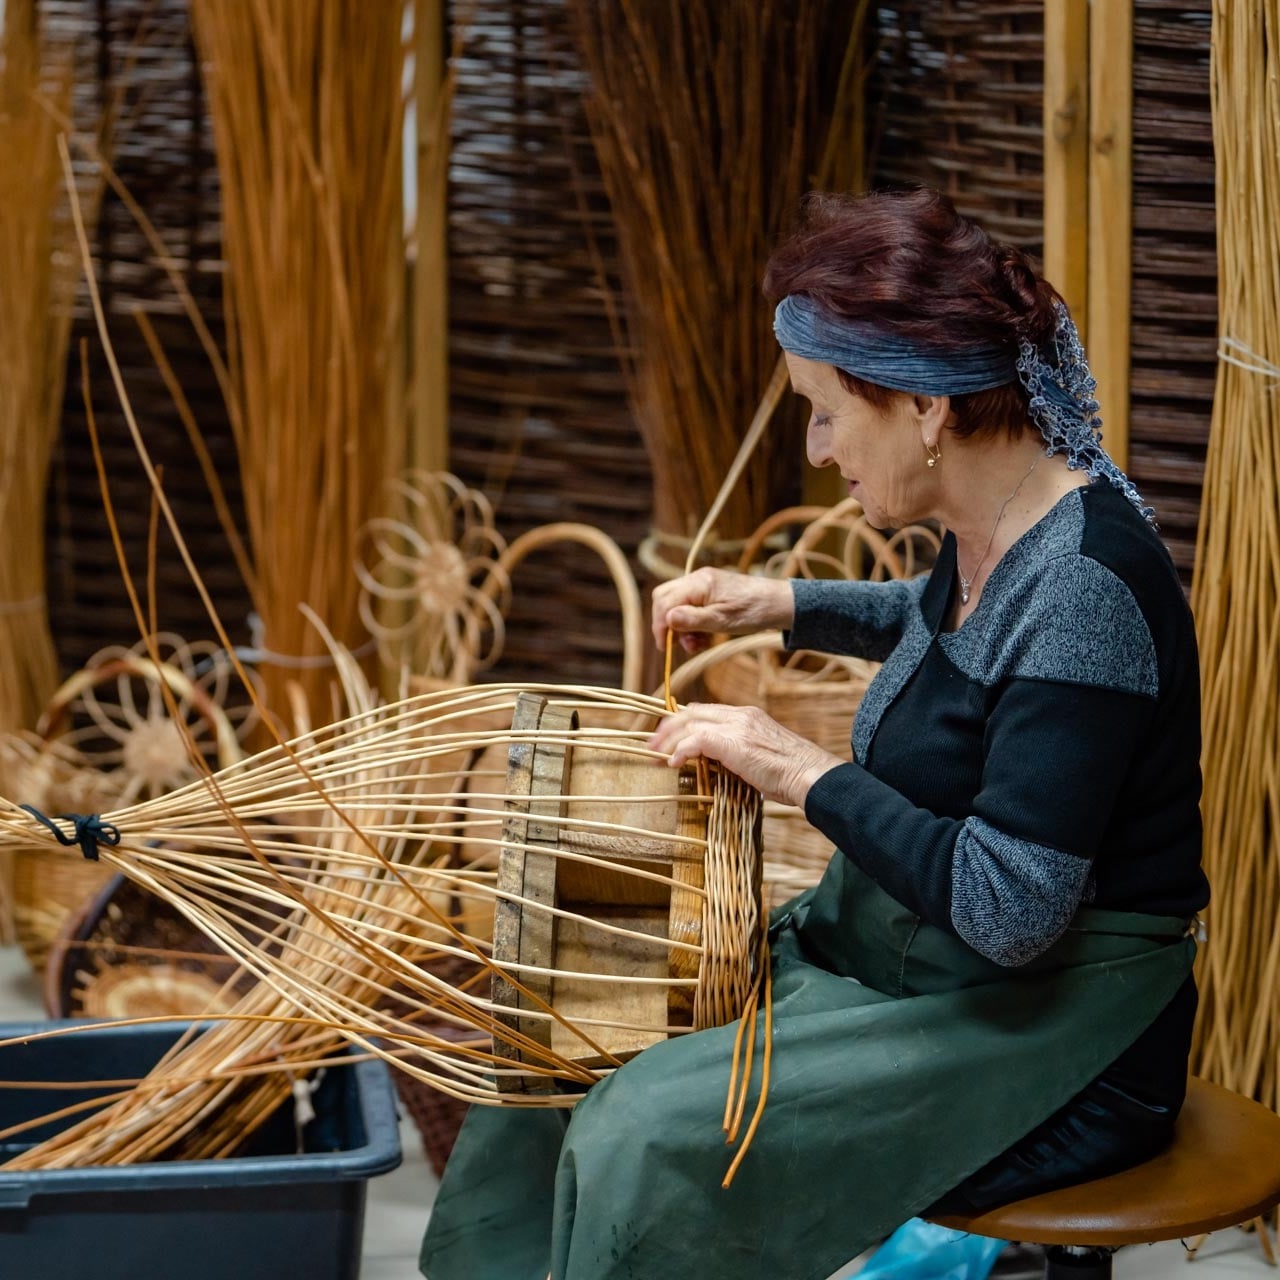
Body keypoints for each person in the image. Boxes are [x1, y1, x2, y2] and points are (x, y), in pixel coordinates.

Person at [420, 188, 1208, 1280]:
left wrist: (797, 769)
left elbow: (1011, 911)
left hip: (1056, 1034)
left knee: (646, 1128)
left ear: (924, 407)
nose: (816, 446)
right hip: (914, 967)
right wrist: (777, 602)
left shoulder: (1083, 590)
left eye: (827, 411)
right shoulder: (994, 521)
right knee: (570, 1026)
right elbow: (954, 635)